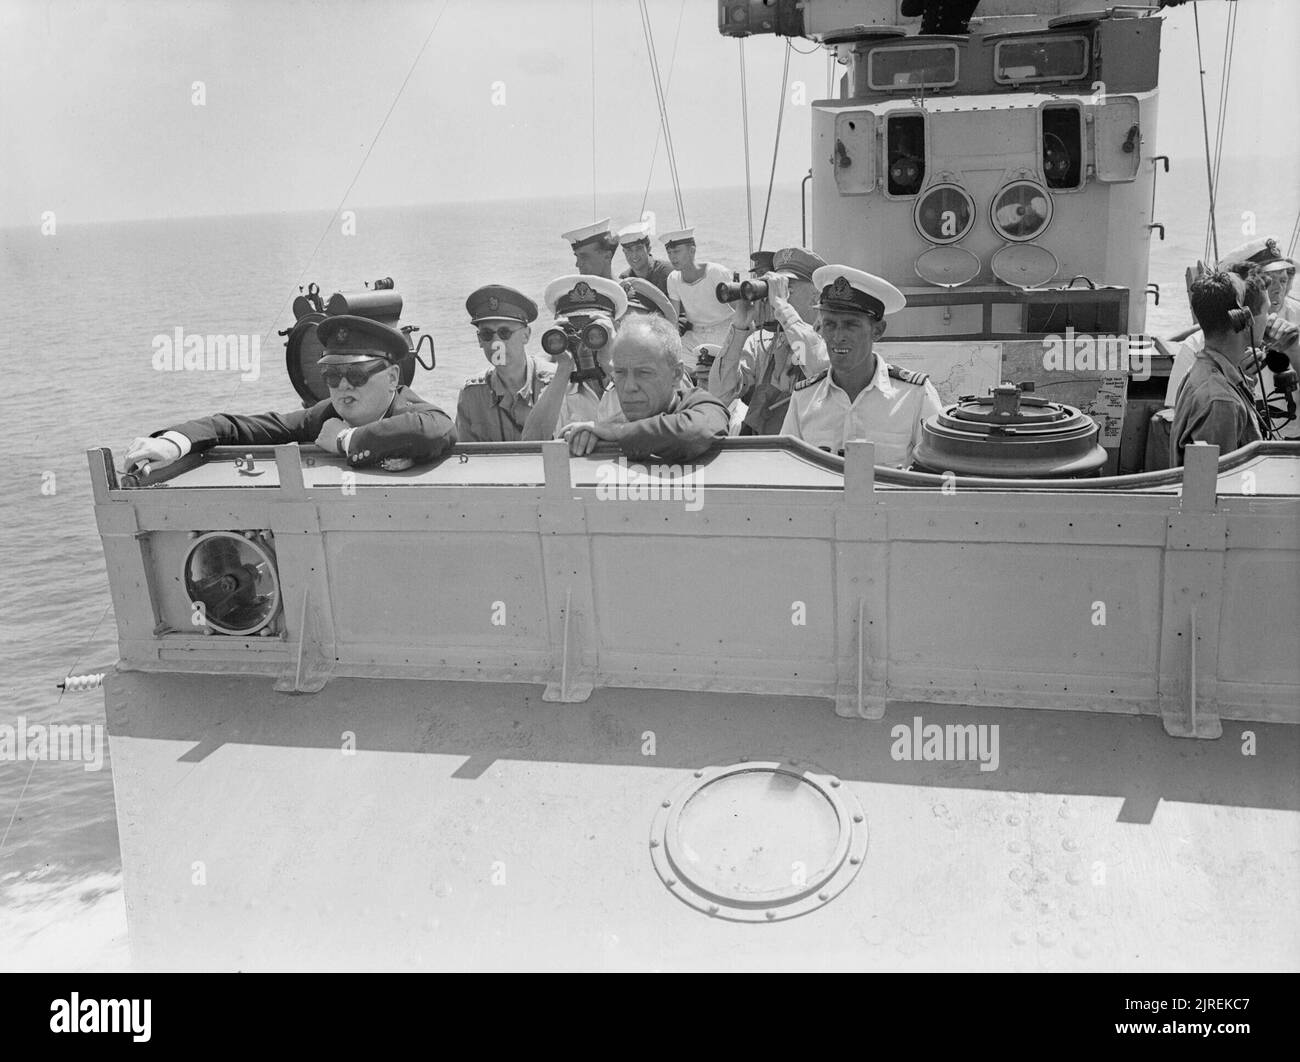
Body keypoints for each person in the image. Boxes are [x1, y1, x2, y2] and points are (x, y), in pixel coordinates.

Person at [124, 315, 456, 473]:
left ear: (392, 377)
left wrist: (347, 440)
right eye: (332, 374)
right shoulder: (325, 416)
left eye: (355, 374)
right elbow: (236, 428)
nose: (342, 386)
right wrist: (171, 443)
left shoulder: (407, 408)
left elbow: (437, 428)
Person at [781, 266, 943, 468]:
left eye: (851, 325)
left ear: (877, 331)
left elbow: (937, 476)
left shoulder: (915, 397)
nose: (838, 337)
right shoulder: (804, 399)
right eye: (830, 324)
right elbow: (785, 471)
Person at [558, 315, 729, 463]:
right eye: (620, 372)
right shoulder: (607, 425)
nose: (630, 387)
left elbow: (696, 432)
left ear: (676, 374)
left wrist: (616, 433)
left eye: (644, 373)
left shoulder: (702, 405)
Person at [1163, 238, 1299, 413]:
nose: (1277, 289)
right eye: (1267, 281)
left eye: (1283, 280)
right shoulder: (1198, 346)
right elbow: (1176, 415)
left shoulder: (1295, 327)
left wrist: (1295, 352)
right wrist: (1231, 375)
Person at [706, 246, 832, 435]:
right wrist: (739, 327)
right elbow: (720, 393)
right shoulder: (762, 343)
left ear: (816, 295)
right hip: (766, 451)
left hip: (809, 450)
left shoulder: (832, 341)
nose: (774, 297)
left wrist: (782, 307)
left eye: (786, 289)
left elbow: (815, 364)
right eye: (772, 290)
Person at [1170, 269, 1271, 467]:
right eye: (1266, 311)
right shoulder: (1221, 401)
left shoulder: (1202, 368)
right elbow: (1216, 486)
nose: (1269, 318)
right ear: (1245, 319)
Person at [521, 274, 628, 441]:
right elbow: (531, 444)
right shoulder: (560, 389)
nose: (583, 342)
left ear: (615, 328)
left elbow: (661, 423)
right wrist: (564, 368)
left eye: (594, 331)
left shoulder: (638, 375)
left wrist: (611, 364)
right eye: (572, 331)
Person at [455, 284, 555, 442]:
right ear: (479, 340)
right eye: (487, 334)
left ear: (526, 335)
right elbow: (466, 458)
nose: (496, 342)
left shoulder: (555, 383)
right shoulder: (472, 395)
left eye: (504, 333)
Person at [661, 228, 734, 370]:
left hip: (725, 330)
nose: (672, 257)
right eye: (669, 253)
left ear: (692, 251)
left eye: (676, 252)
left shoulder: (716, 272)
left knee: (718, 368)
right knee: (669, 358)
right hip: (696, 335)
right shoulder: (673, 279)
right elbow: (674, 318)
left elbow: (738, 308)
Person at [617, 221, 673, 295]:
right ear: (624, 252)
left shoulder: (668, 273)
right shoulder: (625, 279)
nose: (634, 255)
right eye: (629, 250)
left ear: (648, 249)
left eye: (639, 248)